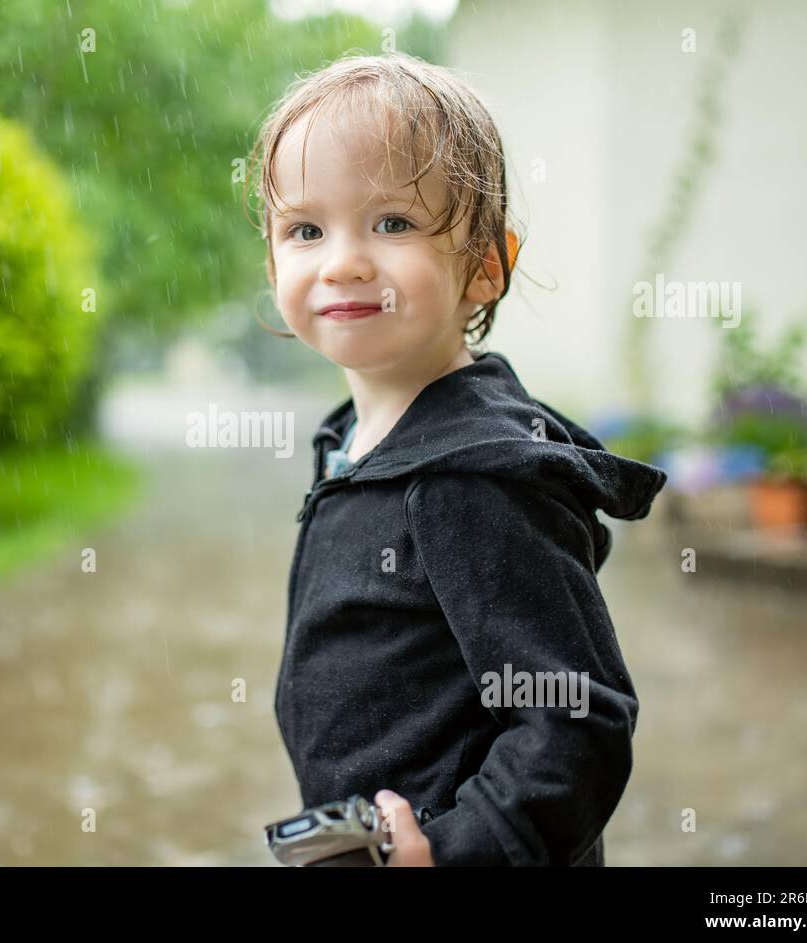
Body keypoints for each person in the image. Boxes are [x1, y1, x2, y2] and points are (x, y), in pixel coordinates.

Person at [244, 52, 668, 866]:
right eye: (306, 229)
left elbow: (577, 715)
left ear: (485, 266)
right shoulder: (350, 441)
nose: (342, 260)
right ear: (273, 264)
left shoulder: (473, 477)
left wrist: (458, 847)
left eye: (392, 223)